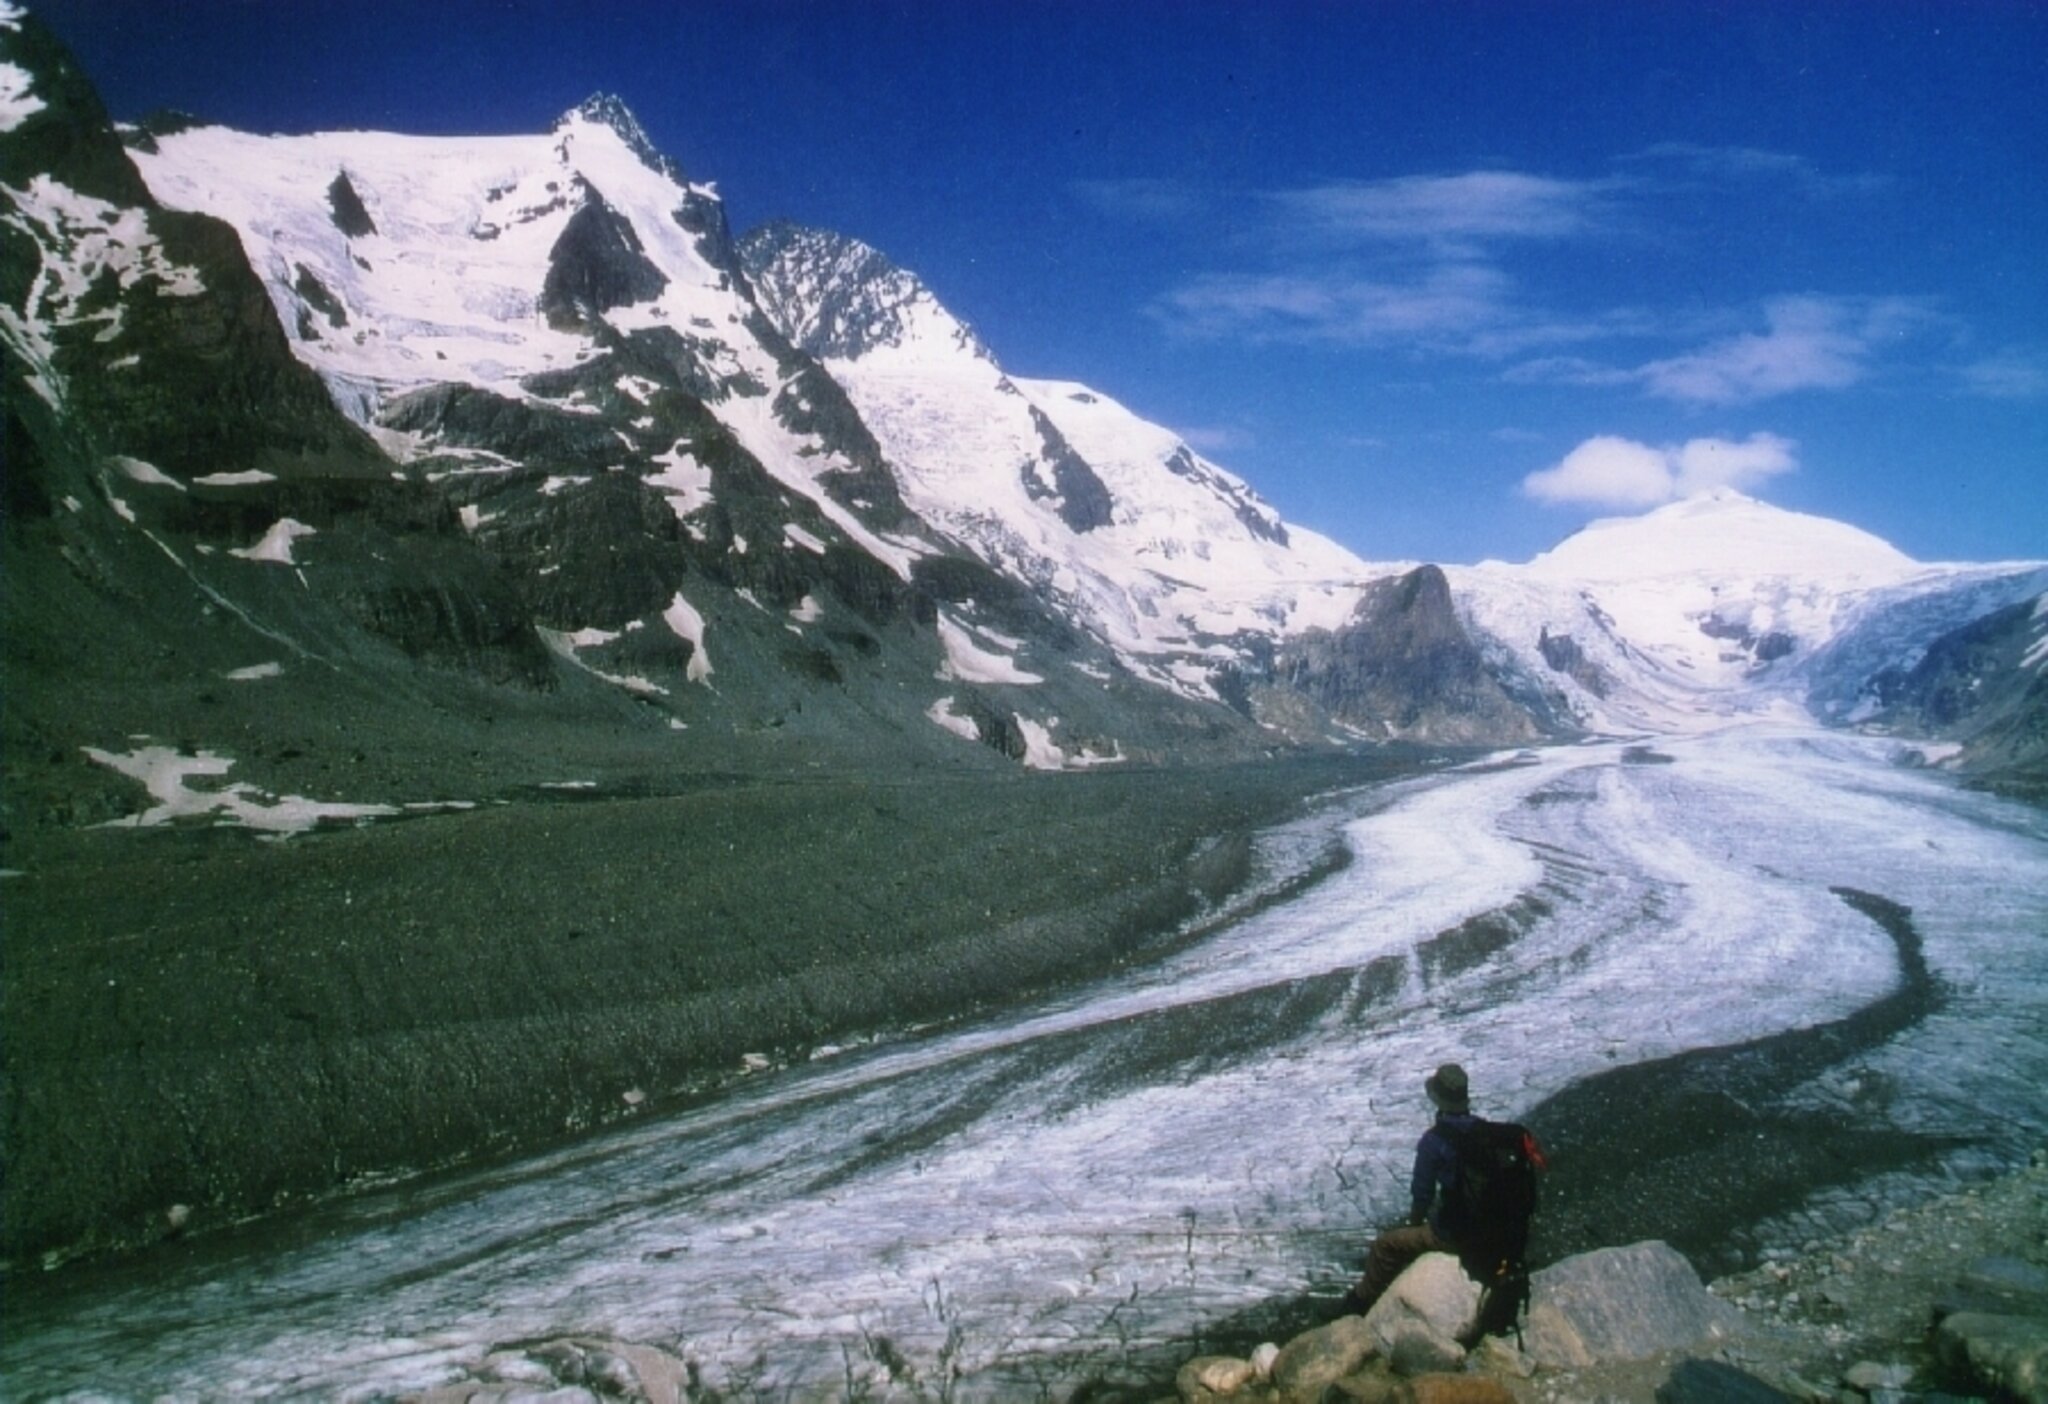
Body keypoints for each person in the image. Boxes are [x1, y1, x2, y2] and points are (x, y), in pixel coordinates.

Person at [1347, 1061, 1482, 1314]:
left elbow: (1423, 1194)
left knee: (1384, 1247)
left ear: (1438, 1098)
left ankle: (1359, 1305)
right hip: (1488, 1227)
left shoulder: (1434, 1141)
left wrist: (1414, 1223)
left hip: (1454, 1234)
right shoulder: (1486, 1131)